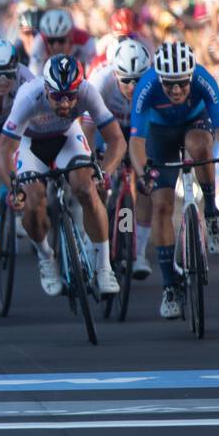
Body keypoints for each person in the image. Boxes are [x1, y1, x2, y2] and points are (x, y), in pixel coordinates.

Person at [0, 53, 124, 301]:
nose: (64, 104)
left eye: (70, 97)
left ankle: (104, 267)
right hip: (31, 144)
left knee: (86, 188)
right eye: (57, 97)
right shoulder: (28, 96)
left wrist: (104, 172)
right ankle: (45, 256)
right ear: (45, 89)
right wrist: (13, 187)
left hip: (67, 138)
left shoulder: (87, 91)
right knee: (34, 200)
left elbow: (116, 140)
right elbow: (4, 150)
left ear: (78, 89)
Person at [129, 42, 219, 320]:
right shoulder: (145, 86)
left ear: (190, 77)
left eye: (181, 84)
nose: (176, 90)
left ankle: (211, 213)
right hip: (159, 133)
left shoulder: (204, 79)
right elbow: (137, 142)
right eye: (169, 85)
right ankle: (169, 286)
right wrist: (144, 173)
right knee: (162, 205)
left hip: (194, 123)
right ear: (160, 79)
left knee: (200, 145)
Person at [88, 37, 153, 278]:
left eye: (139, 80)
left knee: (145, 185)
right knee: (96, 182)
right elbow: (86, 126)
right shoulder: (101, 80)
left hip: (137, 132)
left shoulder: (155, 83)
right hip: (107, 132)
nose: (133, 87)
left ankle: (140, 253)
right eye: (126, 80)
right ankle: (93, 240)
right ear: (115, 74)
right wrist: (92, 159)